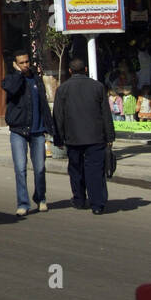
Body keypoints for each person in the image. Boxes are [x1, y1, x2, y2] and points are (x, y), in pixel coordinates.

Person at [53, 58, 115, 214]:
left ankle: (79, 199)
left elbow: (58, 116)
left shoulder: (63, 89)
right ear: (85, 69)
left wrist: (58, 138)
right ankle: (97, 204)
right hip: (95, 137)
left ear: (70, 71)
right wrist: (110, 137)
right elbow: (106, 114)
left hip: (73, 138)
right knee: (95, 171)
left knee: (76, 169)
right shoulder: (98, 87)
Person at [1, 49, 52, 217]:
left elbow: (43, 103)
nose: (25, 65)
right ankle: (23, 203)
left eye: (26, 62)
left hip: (37, 130)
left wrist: (50, 127)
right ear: (15, 64)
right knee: (20, 168)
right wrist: (17, 74)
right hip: (18, 130)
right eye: (21, 62)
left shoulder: (36, 79)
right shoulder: (11, 79)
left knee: (39, 168)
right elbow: (11, 89)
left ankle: (40, 197)